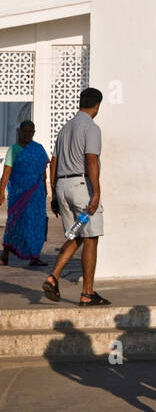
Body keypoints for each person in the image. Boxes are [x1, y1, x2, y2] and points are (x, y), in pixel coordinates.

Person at [43, 87, 109, 306]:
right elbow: (91, 159)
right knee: (91, 238)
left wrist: (54, 193)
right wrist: (96, 192)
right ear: (97, 106)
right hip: (82, 187)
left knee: (76, 234)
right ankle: (87, 293)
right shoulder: (91, 127)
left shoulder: (65, 128)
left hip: (62, 184)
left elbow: (54, 162)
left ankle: (53, 276)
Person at [0, 121, 49, 266]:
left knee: (36, 224)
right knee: (15, 223)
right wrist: (1, 191)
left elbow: (43, 172)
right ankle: (5, 255)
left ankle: (35, 257)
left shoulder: (38, 149)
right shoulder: (13, 150)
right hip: (18, 194)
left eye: (30, 131)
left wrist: (46, 190)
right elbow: (6, 172)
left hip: (37, 194)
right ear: (19, 131)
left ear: (34, 132)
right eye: (25, 131)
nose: (28, 134)